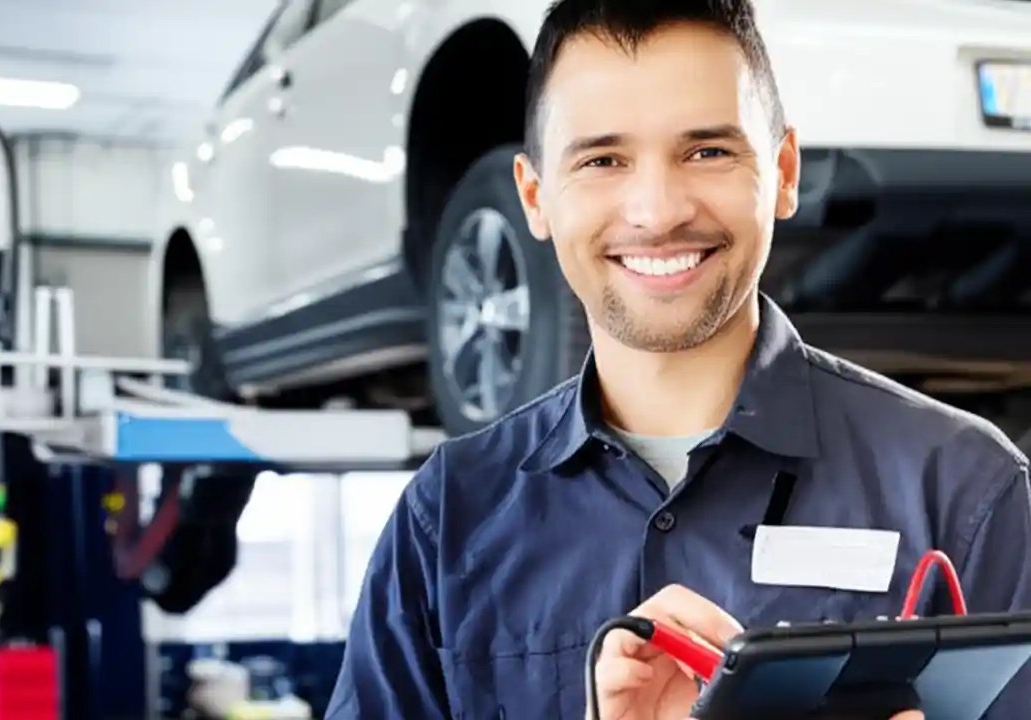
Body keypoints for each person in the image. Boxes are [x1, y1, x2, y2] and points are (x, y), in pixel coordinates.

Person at [324, 0, 1031, 718]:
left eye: (708, 152)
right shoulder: (450, 517)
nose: (657, 211)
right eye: (603, 160)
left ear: (784, 172)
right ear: (535, 197)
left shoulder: (964, 489)